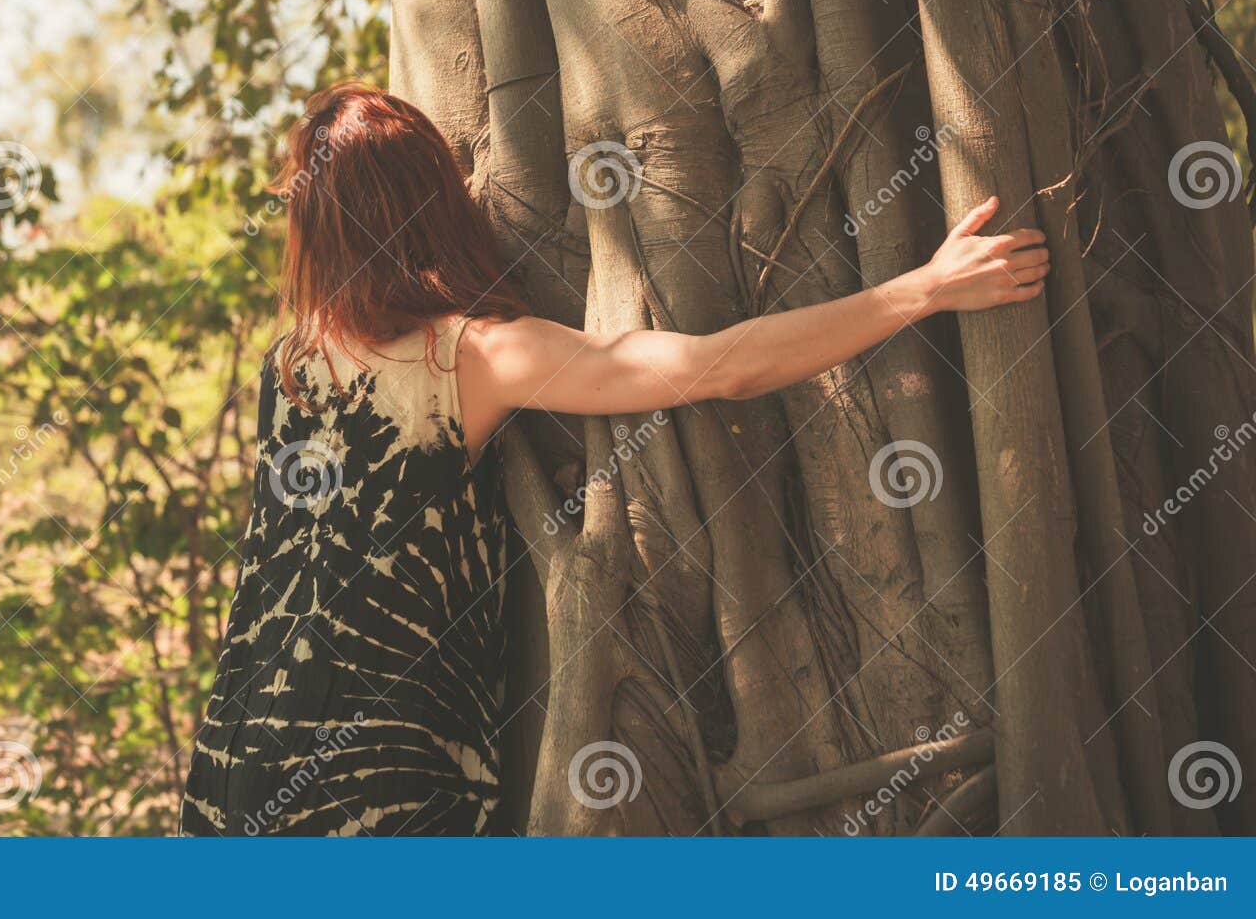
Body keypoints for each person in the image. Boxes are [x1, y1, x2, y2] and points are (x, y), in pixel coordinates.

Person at [178, 82, 1049, 836]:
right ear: (431, 204)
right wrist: (921, 287)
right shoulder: (471, 356)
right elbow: (722, 364)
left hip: (234, 755)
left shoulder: (290, 365)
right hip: (374, 776)